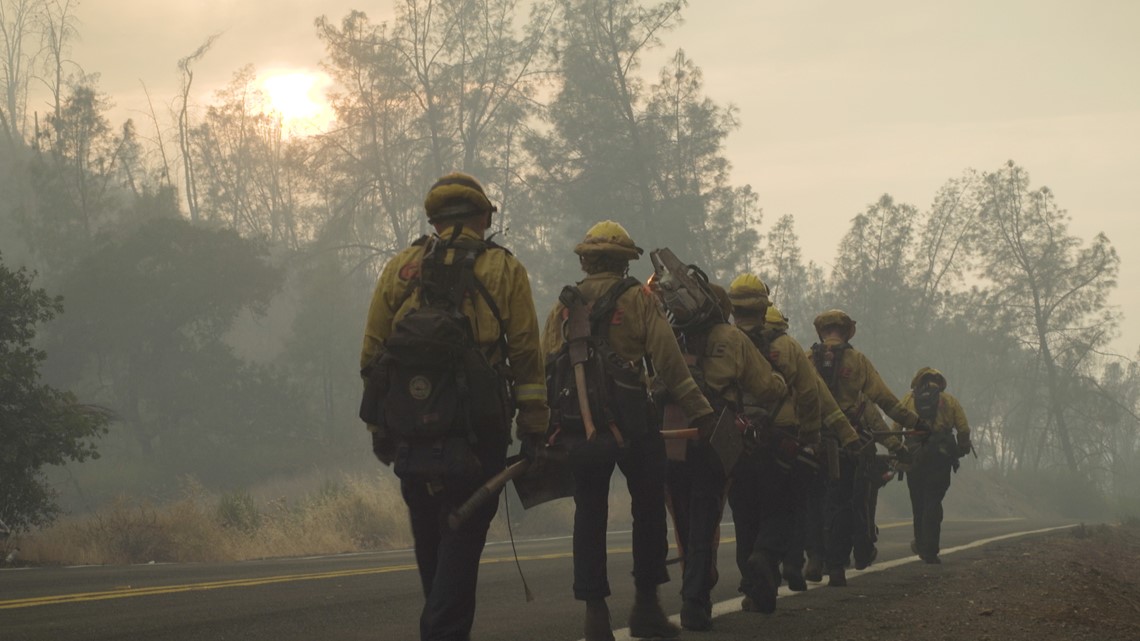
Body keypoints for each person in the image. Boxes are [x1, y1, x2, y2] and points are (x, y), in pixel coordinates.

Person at [360, 172, 549, 641]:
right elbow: (526, 353)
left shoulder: (401, 267)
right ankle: (441, 633)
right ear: (483, 217)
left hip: (410, 430)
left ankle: (440, 627)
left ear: (435, 219)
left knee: (430, 538)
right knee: (462, 540)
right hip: (476, 430)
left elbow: (372, 354)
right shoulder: (504, 269)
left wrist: (380, 428)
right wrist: (534, 426)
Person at [541, 221, 715, 641]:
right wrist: (701, 411)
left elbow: (547, 367)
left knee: (590, 514)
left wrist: (545, 427)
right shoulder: (639, 299)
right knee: (649, 509)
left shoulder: (563, 307)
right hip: (635, 419)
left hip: (580, 425)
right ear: (623, 262)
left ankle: (595, 616)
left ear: (586, 260)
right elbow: (669, 363)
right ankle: (646, 608)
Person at [657, 276, 786, 628]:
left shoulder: (668, 335)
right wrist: (781, 380)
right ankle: (694, 603)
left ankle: (678, 589)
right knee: (704, 517)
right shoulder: (732, 339)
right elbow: (766, 385)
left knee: (680, 519)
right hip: (712, 437)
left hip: (669, 436)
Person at [808, 309, 919, 587]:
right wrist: (915, 423)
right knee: (843, 502)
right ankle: (836, 568)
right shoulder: (857, 361)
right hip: (849, 444)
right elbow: (885, 400)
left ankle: (815, 558)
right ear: (846, 332)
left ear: (822, 332)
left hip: (810, 443)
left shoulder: (806, 359)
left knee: (813, 502)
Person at [727, 276, 821, 596]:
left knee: (743, 512)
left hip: (732, 440)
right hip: (780, 440)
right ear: (764, 305)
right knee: (781, 507)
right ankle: (765, 556)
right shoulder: (787, 346)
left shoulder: (722, 341)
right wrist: (810, 435)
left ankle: (753, 586)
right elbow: (809, 394)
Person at [894, 367, 971, 564]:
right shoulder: (949, 401)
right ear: (940, 382)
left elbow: (896, 426)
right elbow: (963, 428)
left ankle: (920, 543)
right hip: (941, 457)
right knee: (933, 501)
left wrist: (897, 449)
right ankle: (930, 549)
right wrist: (963, 447)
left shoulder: (908, 399)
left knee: (917, 503)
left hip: (914, 456)